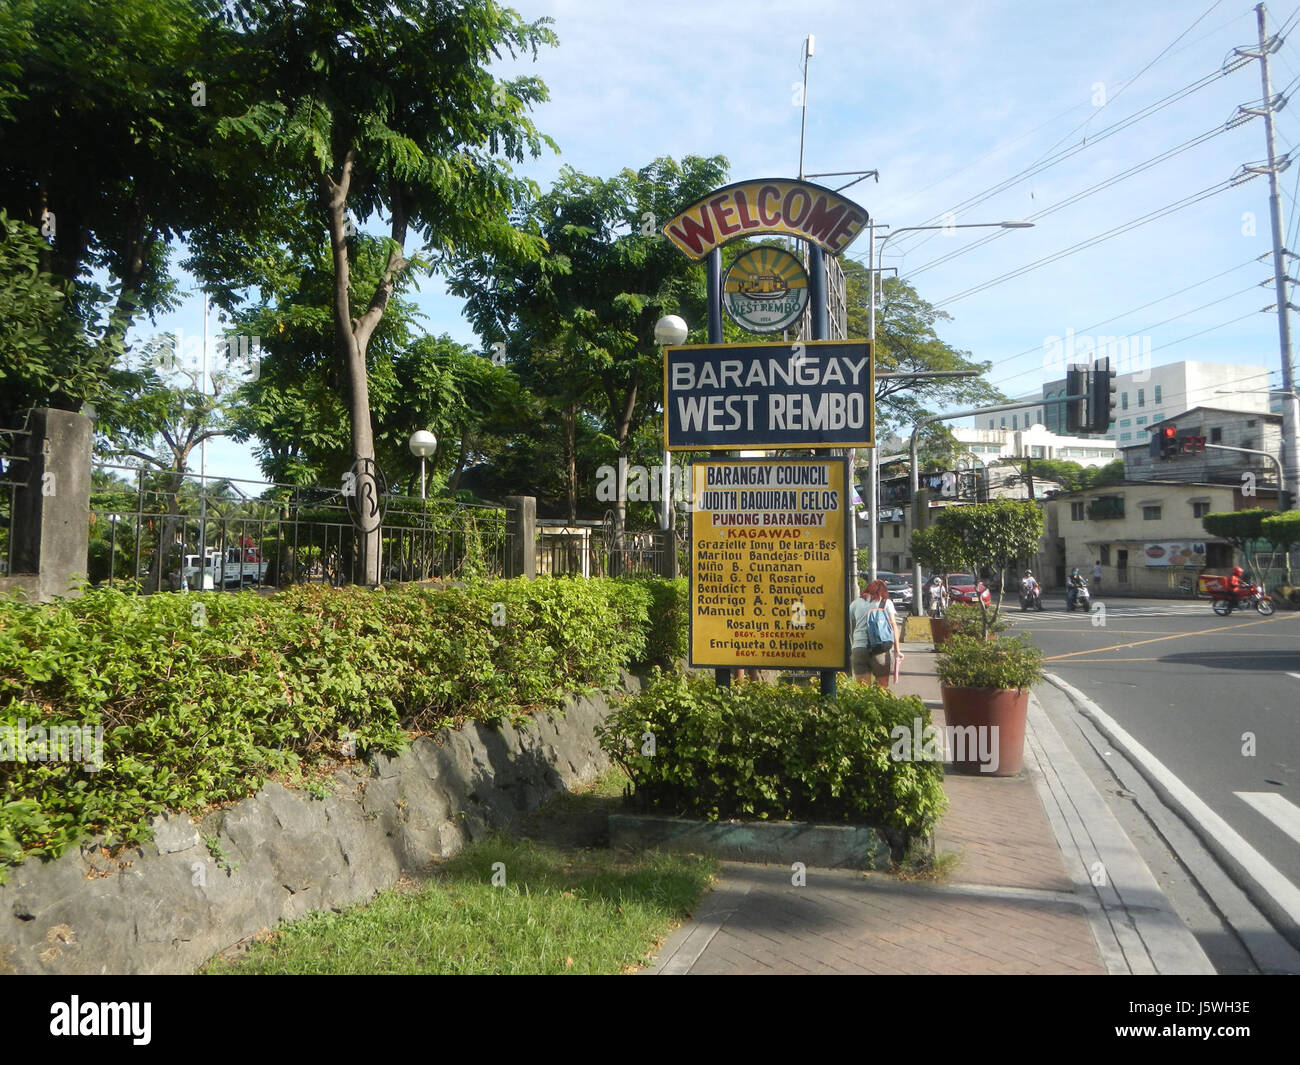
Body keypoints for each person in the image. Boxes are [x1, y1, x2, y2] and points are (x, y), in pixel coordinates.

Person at [850, 578, 899, 688]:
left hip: (859, 648)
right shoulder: (886, 603)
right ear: (884, 591)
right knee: (882, 688)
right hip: (880, 648)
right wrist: (897, 650)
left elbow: (848, 618)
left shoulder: (856, 603)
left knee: (863, 690)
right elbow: (893, 624)